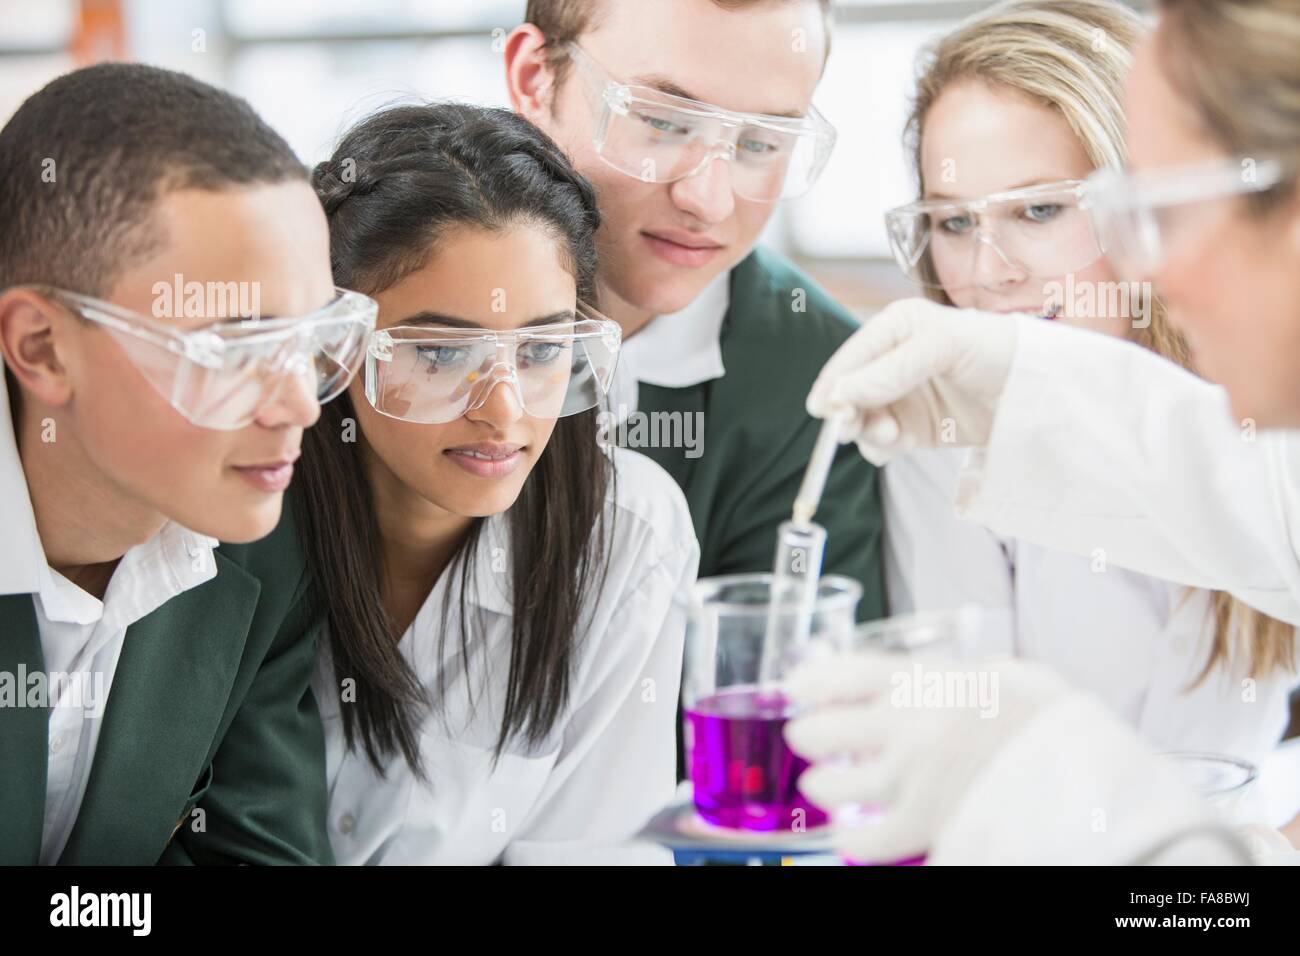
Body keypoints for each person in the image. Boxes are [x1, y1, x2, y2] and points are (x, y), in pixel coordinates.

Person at [787, 0, 1300, 864]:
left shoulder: (1259, 404)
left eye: (1040, 211)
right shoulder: (955, 432)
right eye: (954, 222)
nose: (990, 272)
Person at [298, 103, 698, 864]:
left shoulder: (626, 535)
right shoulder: (244, 506)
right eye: (442, 355)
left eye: (543, 349)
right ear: (339, 345)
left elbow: (595, 852)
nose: (504, 411)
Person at [0, 64, 373, 864]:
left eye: (311, 341)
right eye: (237, 347)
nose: (301, 406)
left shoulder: (272, 536)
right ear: (42, 348)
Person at [503, 0, 885, 617]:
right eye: (661, 120)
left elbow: (782, 686)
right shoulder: (374, 292)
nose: (708, 202)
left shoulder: (816, 378)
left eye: (761, 142)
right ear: (534, 77)